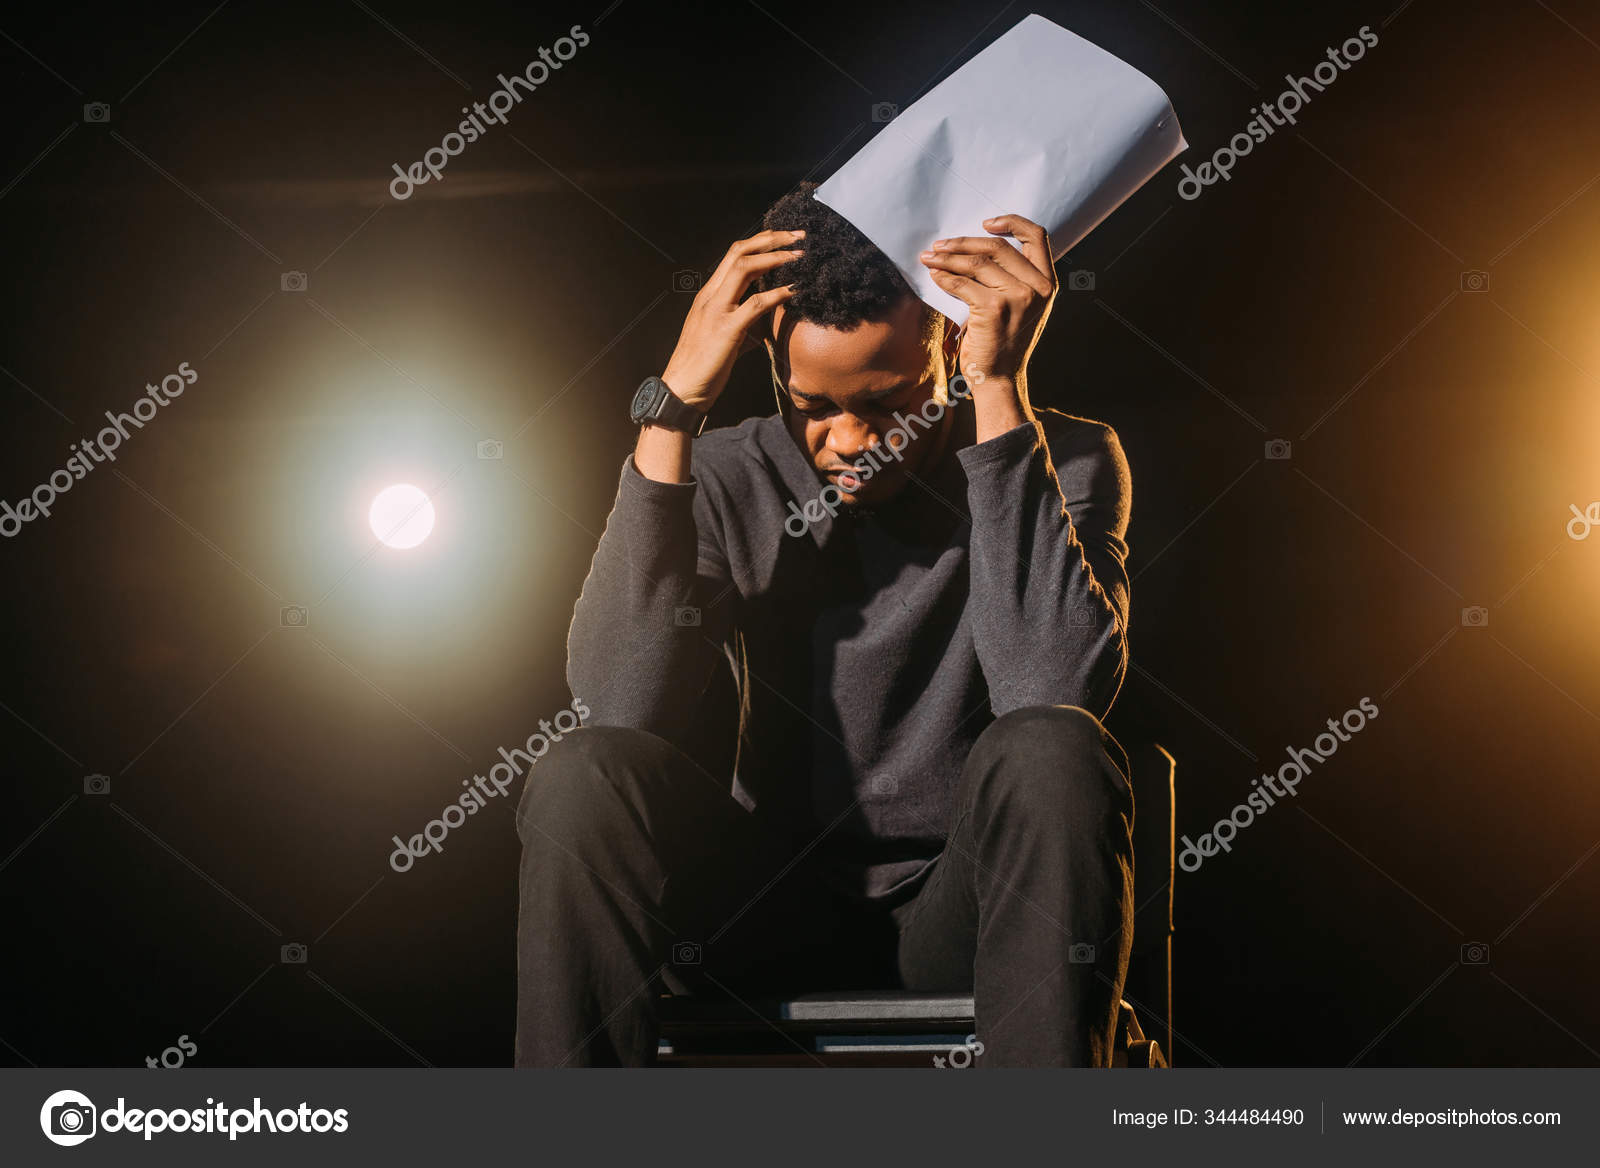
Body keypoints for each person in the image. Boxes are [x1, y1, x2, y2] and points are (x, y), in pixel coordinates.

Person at [515, 181, 1134, 1067]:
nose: (850, 440)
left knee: (1054, 748)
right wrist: (675, 409)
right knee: (584, 771)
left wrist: (998, 392)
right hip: (765, 914)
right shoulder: (727, 474)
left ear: (946, 349)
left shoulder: (1062, 457)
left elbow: (1054, 690)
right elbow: (619, 699)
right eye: (815, 407)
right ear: (772, 360)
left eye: (886, 405)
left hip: (958, 917)